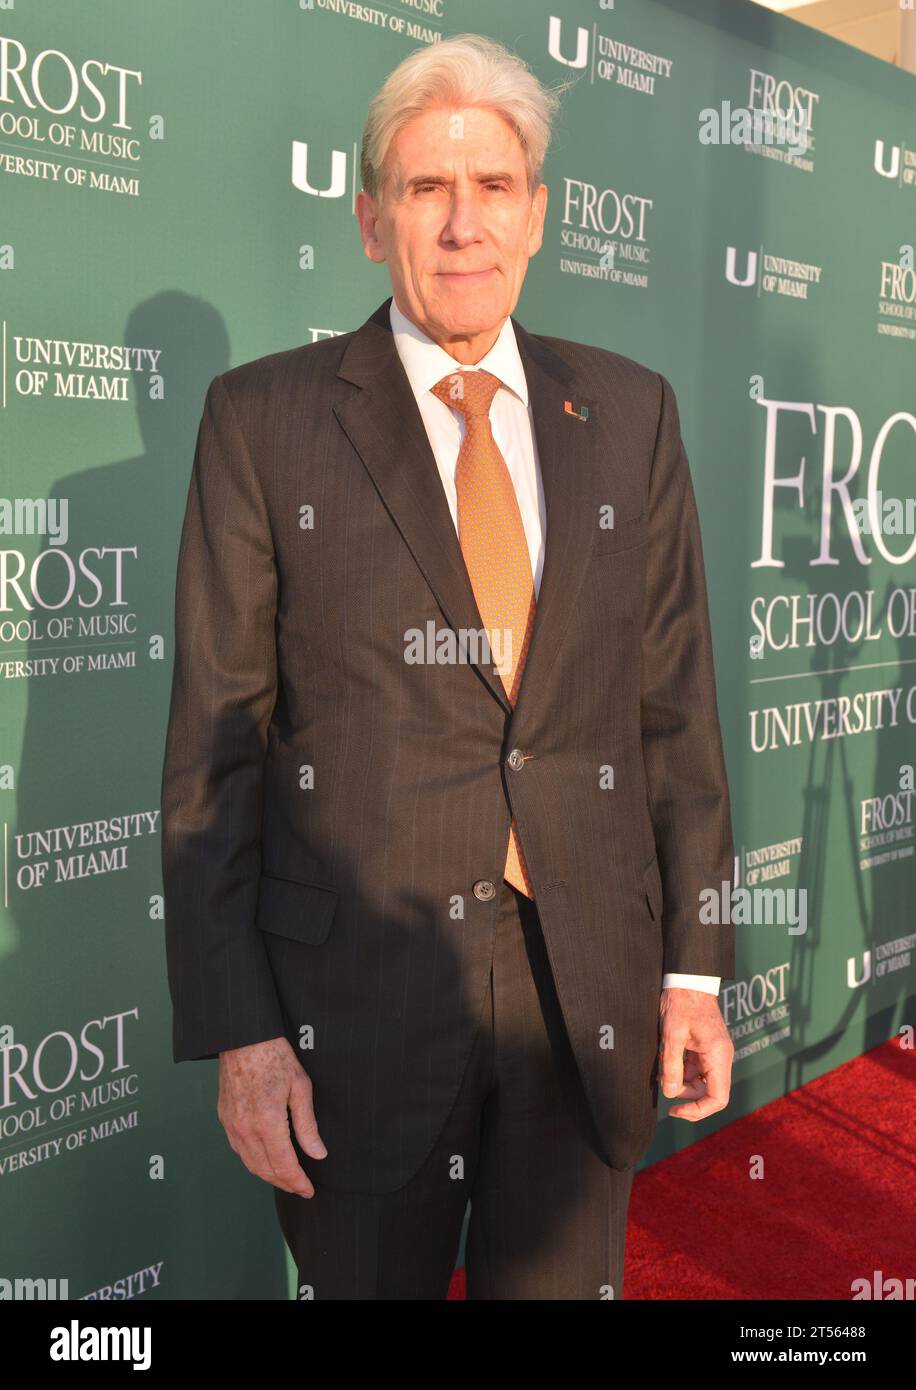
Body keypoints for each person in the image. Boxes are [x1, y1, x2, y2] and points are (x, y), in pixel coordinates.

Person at [161, 32, 736, 1301]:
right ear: (372, 221)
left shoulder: (629, 413)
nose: (461, 222)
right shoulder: (263, 421)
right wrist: (247, 1035)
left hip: (583, 985)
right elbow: (215, 748)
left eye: (491, 188)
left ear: (538, 214)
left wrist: (691, 970)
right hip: (353, 1006)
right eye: (426, 189)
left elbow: (671, 704)